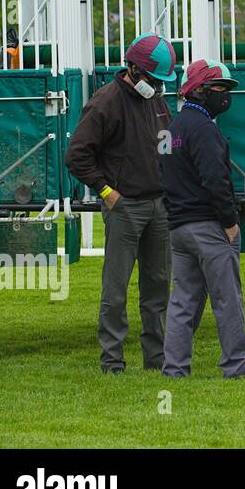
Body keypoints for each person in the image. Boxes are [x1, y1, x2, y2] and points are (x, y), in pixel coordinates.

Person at [65, 33, 177, 374]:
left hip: (159, 206)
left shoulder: (156, 100)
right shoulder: (105, 102)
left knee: (157, 288)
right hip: (124, 207)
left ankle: (156, 361)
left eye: (161, 81)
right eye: (153, 79)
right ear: (132, 69)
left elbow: (167, 144)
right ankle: (112, 360)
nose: (158, 86)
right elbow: (77, 156)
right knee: (116, 290)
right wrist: (106, 192)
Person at [161, 59, 245, 379]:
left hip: (178, 228)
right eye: (219, 88)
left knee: (182, 303)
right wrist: (229, 221)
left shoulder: (170, 129)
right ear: (198, 90)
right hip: (209, 227)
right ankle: (236, 366)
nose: (225, 95)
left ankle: (174, 369)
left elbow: (163, 175)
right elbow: (217, 181)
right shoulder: (206, 129)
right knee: (227, 300)